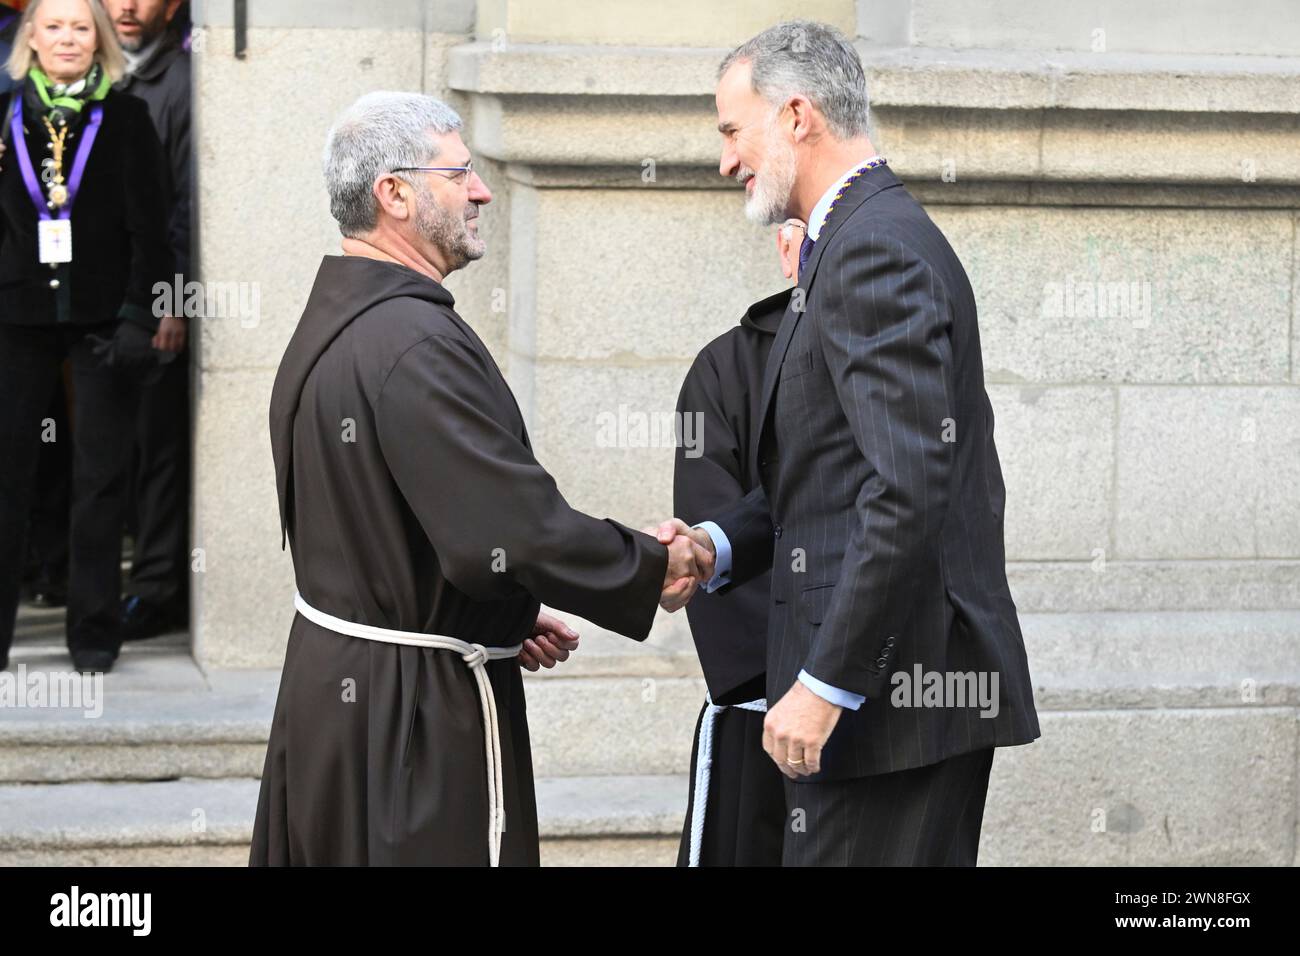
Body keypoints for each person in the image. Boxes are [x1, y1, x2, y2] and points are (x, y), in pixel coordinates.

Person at [249, 92, 710, 867]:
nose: (482, 190)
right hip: (410, 718)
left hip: (338, 692)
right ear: (394, 193)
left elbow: (401, 522)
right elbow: (506, 529)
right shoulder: (413, 340)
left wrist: (486, 612)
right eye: (459, 172)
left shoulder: (337, 316)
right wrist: (651, 564)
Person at [655, 20, 1040, 866]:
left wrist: (827, 683)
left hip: (890, 713)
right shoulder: (853, 240)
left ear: (796, 116)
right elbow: (838, 477)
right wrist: (717, 547)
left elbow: (906, 492)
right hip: (882, 711)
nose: (725, 160)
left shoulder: (872, 251)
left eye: (731, 130)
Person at [0, 0, 172, 673]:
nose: (67, 38)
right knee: (9, 477)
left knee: (100, 480)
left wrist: (139, 315)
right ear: (31, 40)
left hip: (104, 322)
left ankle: (95, 631)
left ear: (96, 39)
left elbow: (153, 232)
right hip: (14, 320)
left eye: (80, 27)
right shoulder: (7, 113)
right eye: (54, 27)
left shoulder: (127, 118)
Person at [673, 220, 804, 867]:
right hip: (766, 708)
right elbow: (715, 529)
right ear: (788, 247)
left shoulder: (891, 362)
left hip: (876, 705)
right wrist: (800, 681)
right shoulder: (723, 371)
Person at [104, 0, 191, 641]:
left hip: (151, 299)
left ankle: (156, 587)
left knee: (156, 446)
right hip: (81, 300)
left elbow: (189, 204)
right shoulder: (82, 71)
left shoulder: (181, 83)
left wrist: (172, 299)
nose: (127, 5)